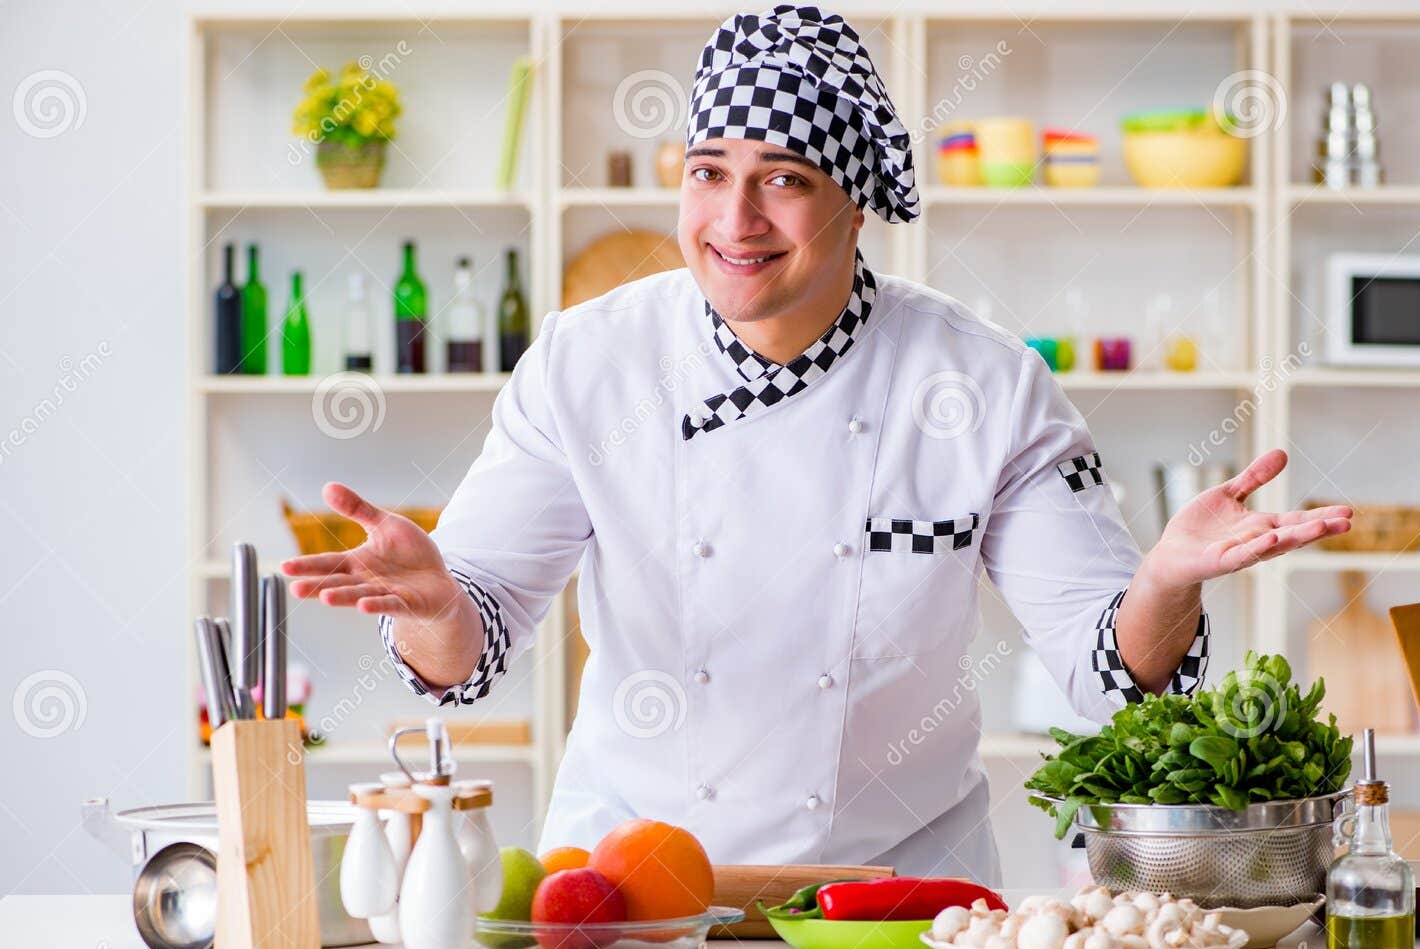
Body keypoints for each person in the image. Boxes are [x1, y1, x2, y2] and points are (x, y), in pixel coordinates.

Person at [284, 5, 1350, 882]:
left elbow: (1111, 674)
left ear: (856, 203)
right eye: (709, 172)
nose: (735, 218)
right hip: (625, 889)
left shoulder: (980, 385)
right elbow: (468, 656)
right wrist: (435, 610)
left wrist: (1163, 584)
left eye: (785, 179)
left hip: (897, 899)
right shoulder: (586, 364)